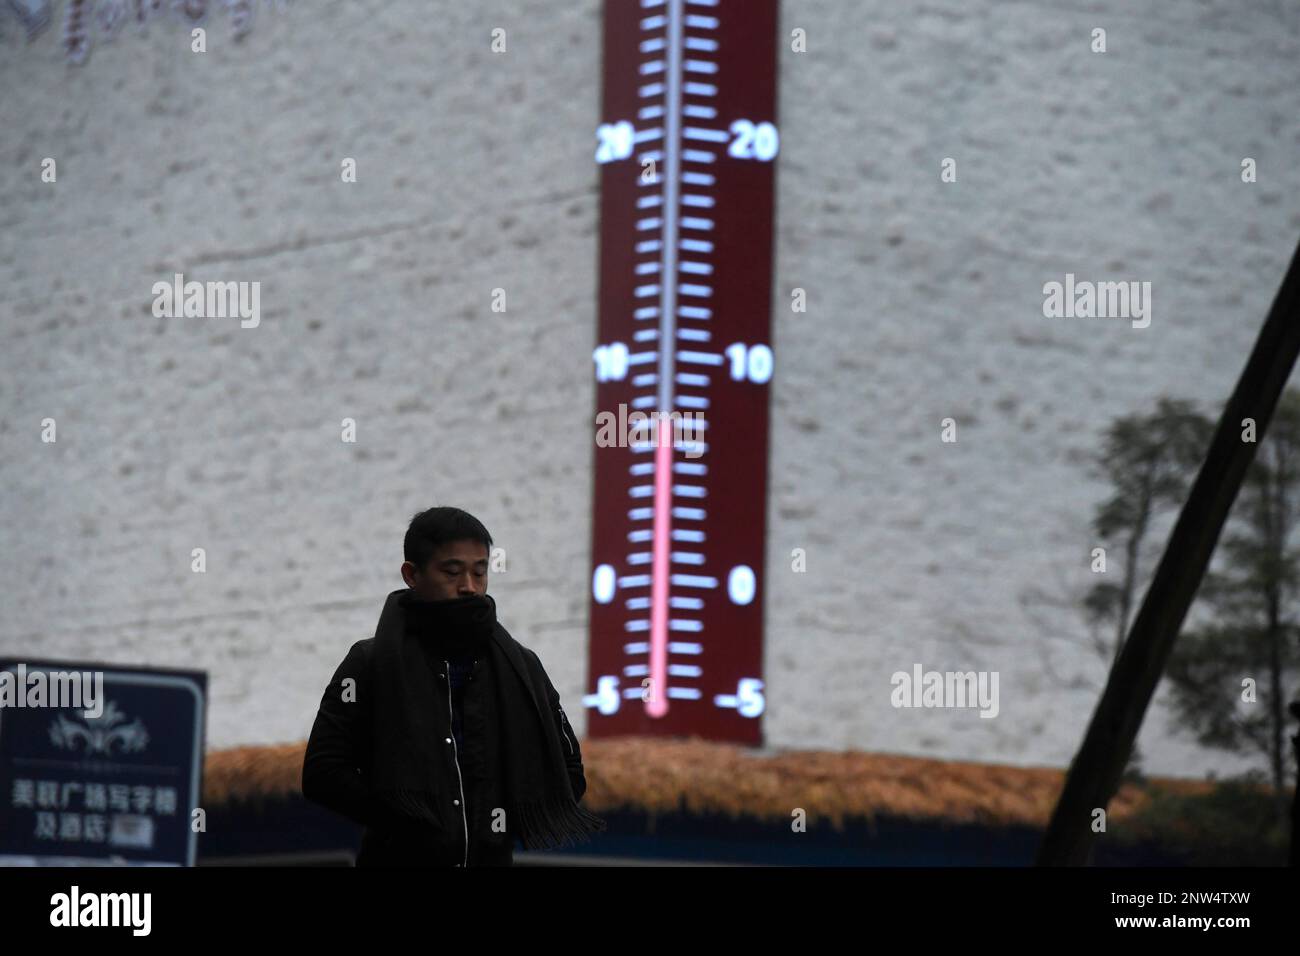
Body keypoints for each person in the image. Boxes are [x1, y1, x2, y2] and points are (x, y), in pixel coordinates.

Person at [301, 506, 605, 866]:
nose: (470, 587)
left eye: (480, 572)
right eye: (452, 572)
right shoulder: (369, 663)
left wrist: (501, 823)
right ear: (411, 575)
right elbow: (323, 772)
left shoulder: (522, 666)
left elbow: (569, 768)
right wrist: (404, 823)